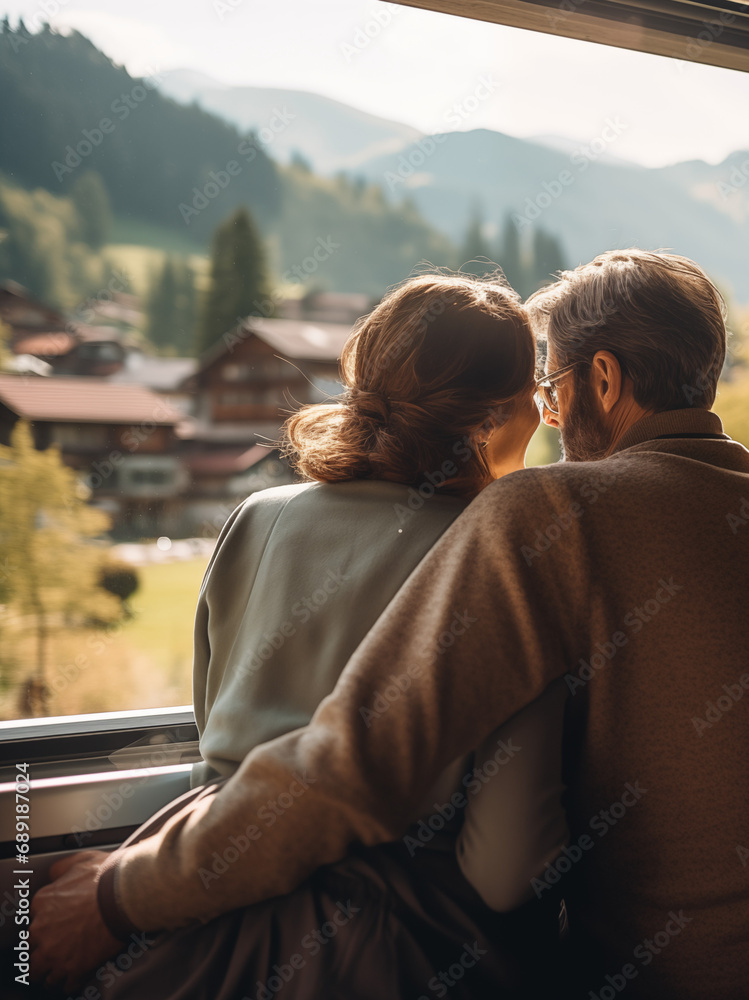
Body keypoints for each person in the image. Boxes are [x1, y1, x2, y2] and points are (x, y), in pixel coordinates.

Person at [34, 249, 749, 1000]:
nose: (548, 413)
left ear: (602, 376)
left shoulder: (550, 511)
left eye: (553, 386)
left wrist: (117, 895)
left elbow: (358, 762)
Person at [33, 272, 570, 1000]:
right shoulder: (505, 560)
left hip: (198, 901)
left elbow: (212, 728)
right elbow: (506, 874)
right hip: (389, 945)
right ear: (494, 417)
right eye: (536, 399)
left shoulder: (259, 517)